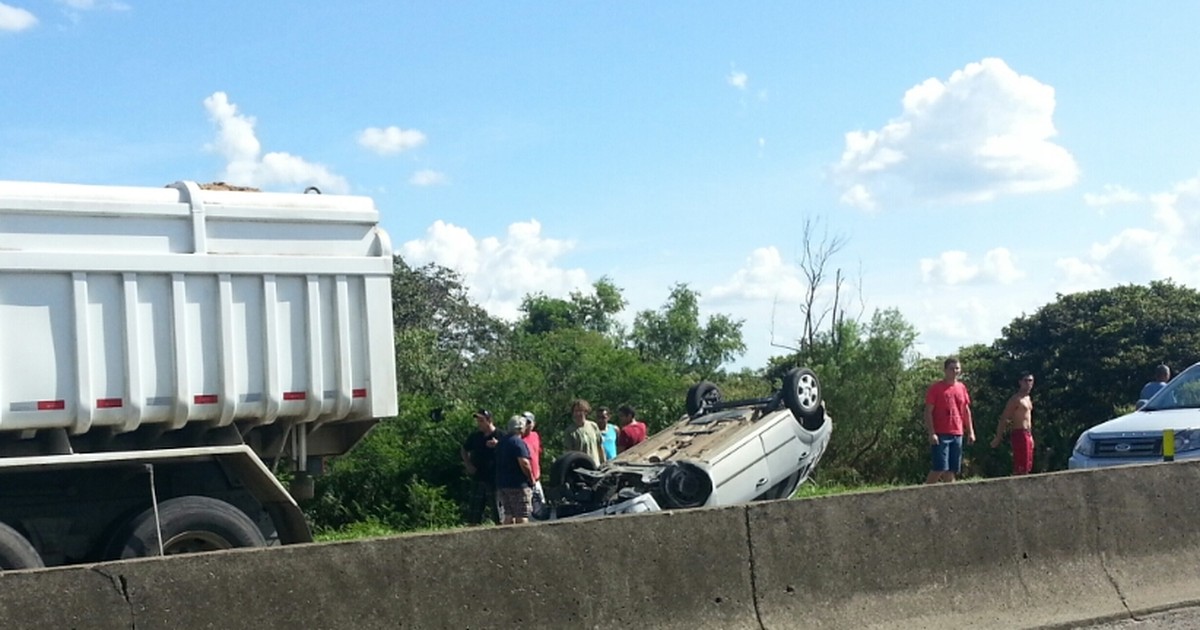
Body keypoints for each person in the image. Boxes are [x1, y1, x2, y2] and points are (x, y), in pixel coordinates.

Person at [924, 357, 974, 484]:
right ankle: (924, 493)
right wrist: (931, 432)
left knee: (952, 469)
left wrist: (971, 431)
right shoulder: (936, 388)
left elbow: (965, 410)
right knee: (939, 467)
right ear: (945, 370)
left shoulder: (962, 387)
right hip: (941, 433)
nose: (955, 371)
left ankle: (949, 499)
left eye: (957, 368)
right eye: (952, 369)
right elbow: (928, 412)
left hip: (957, 432)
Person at [460, 408, 502, 525]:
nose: (479, 424)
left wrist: (498, 445)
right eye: (478, 421)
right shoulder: (475, 436)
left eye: (481, 421)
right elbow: (464, 449)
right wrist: (468, 464)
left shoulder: (500, 435)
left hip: (494, 479)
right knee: (474, 514)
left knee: (498, 513)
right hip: (478, 478)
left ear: (489, 420)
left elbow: (510, 451)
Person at [991, 372, 1035, 475]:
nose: (1028, 383)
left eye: (1030, 381)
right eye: (1026, 380)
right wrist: (998, 437)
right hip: (1019, 433)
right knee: (1020, 465)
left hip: (1027, 434)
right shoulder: (1015, 399)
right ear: (1020, 382)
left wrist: (1031, 436)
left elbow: (1028, 419)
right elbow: (1004, 418)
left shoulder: (1028, 399)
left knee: (1028, 464)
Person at [495, 415, 535, 525]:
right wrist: (531, 478)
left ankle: (508, 539)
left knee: (508, 514)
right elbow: (524, 463)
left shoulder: (501, 442)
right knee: (522, 514)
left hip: (503, 484)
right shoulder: (517, 442)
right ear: (520, 428)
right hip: (518, 485)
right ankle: (523, 540)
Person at [564, 398, 606, 465]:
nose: (578, 413)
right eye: (576, 411)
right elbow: (568, 453)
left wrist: (604, 463)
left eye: (580, 410)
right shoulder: (570, 431)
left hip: (595, 465)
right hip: (580, 467)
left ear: (585, 412)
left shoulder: (593, 426)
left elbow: (600, 447)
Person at [520, 411, 545, 514]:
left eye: (528, 422)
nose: (526, 425)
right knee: (527, 512)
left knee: (541, 509)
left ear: (533, 424)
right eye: (523, 422)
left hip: (536, 479)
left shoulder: (535, 435)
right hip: (525, 480)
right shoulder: (518, 439)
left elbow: (538, 452)